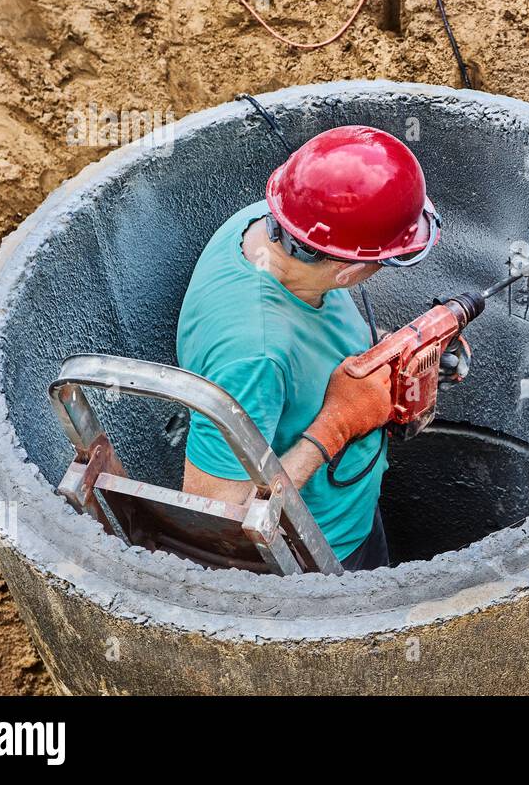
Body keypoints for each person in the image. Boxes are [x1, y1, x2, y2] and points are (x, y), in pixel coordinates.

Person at [175, 125, 441, 570]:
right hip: (317, 555)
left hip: (348, 508)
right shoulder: (254, 352)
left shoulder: (264, 222)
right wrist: (334, 429)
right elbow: (216, 520)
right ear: (346, 271)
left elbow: (308, 340)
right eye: (379, 262)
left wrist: (389, 353)